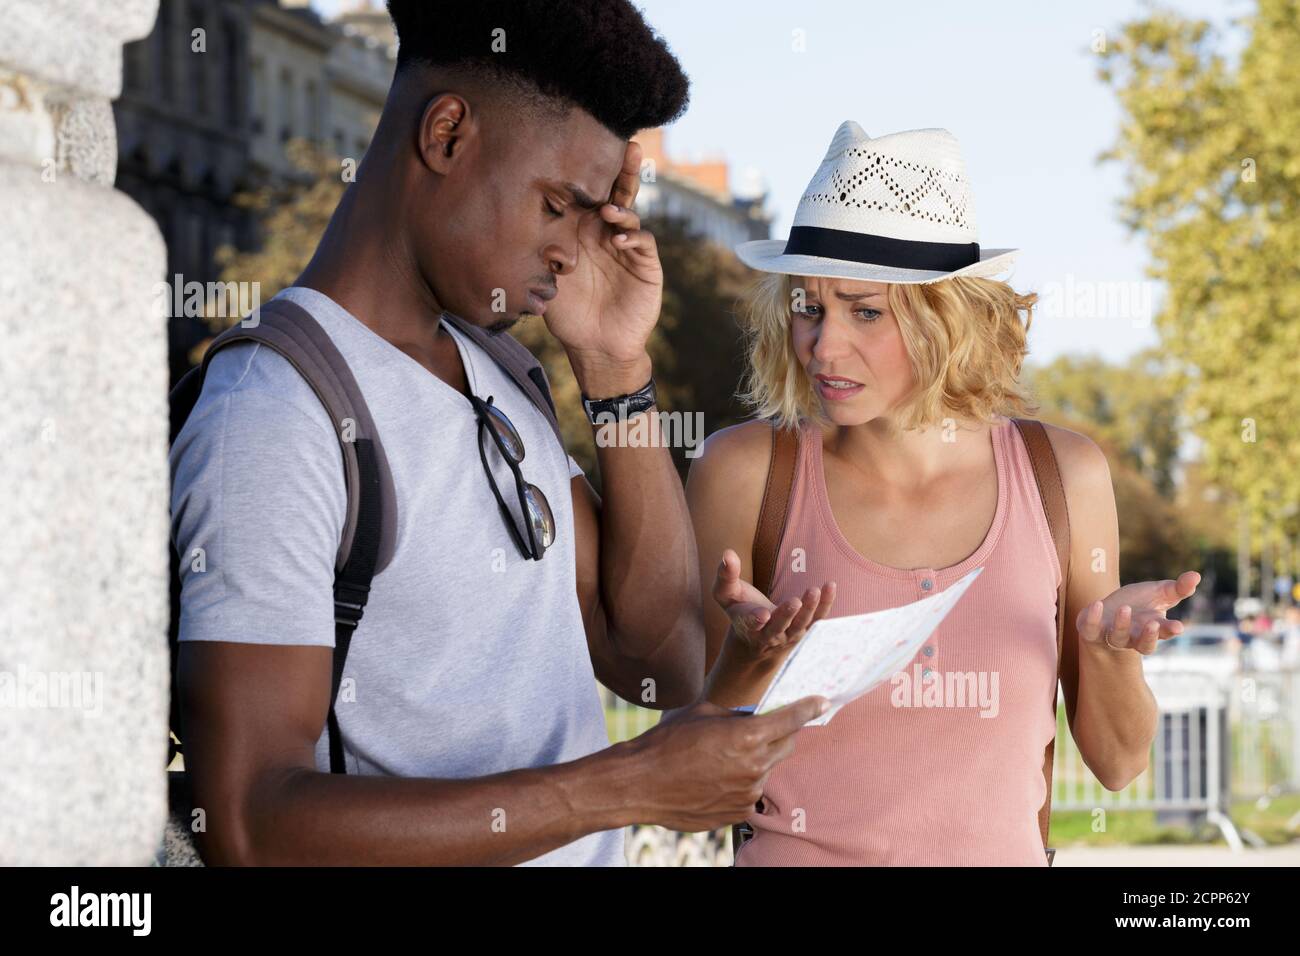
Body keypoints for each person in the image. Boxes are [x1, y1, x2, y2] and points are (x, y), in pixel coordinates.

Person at [170, 0, 825, 867]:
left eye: (591, 213)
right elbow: (250, 824)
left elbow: (658, 661)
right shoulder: (275, 411)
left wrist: (616, 372)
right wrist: (622, 786)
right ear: (446, 137)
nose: (570, 249)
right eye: (558, 204)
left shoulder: (499, 379)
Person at [685, 123, 1201, 865]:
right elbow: (691, 773)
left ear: (944, 319)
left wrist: (1111, 652)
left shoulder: (1064, 477)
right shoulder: (746, 471)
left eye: (865, 312)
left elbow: (1119, 765)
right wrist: (748, 663)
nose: (824, 346)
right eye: (808, 307)